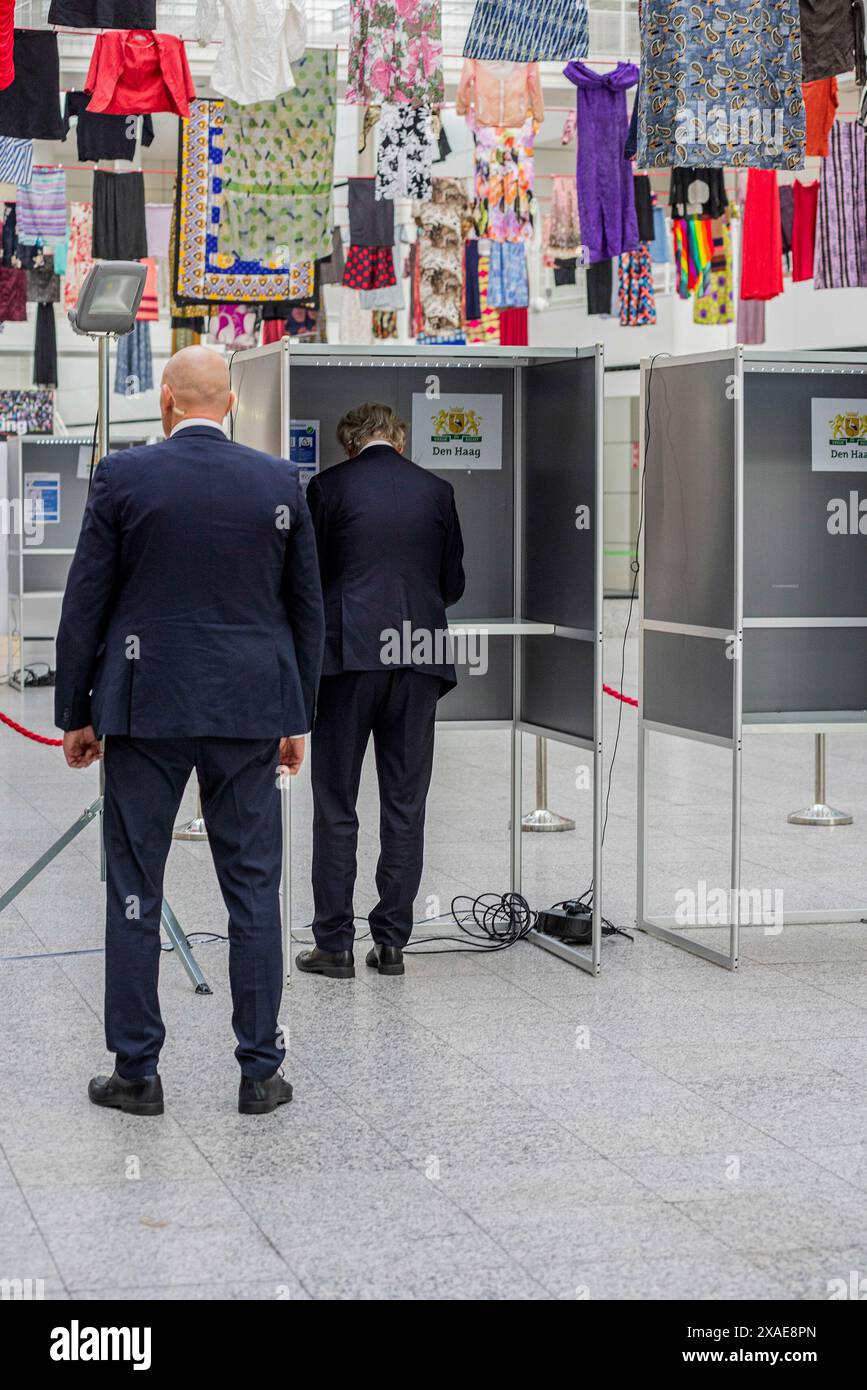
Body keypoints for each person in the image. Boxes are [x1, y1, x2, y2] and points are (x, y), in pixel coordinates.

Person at [55, 346, 324, 1116]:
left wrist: (77, 709)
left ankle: (136, 1073)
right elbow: (306, 609)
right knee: (252, 890)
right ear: (231, 403)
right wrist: (293, 714)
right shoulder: (278, 483)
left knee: (135, 888)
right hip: (248, 712)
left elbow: (86, 601)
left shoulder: (123, 477)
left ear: (167, 399)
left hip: (146, 708)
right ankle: (259, 1071)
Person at [297, 403, 465, 980]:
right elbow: (453, 583)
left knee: (336, 803)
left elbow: (310, 580)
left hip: (347, 659)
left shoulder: (327, 488)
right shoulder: (437, 490)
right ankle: (391, 942)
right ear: (399, 439)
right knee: (405, 802)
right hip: (419, 658)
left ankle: (334, 945)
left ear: (349, 444)